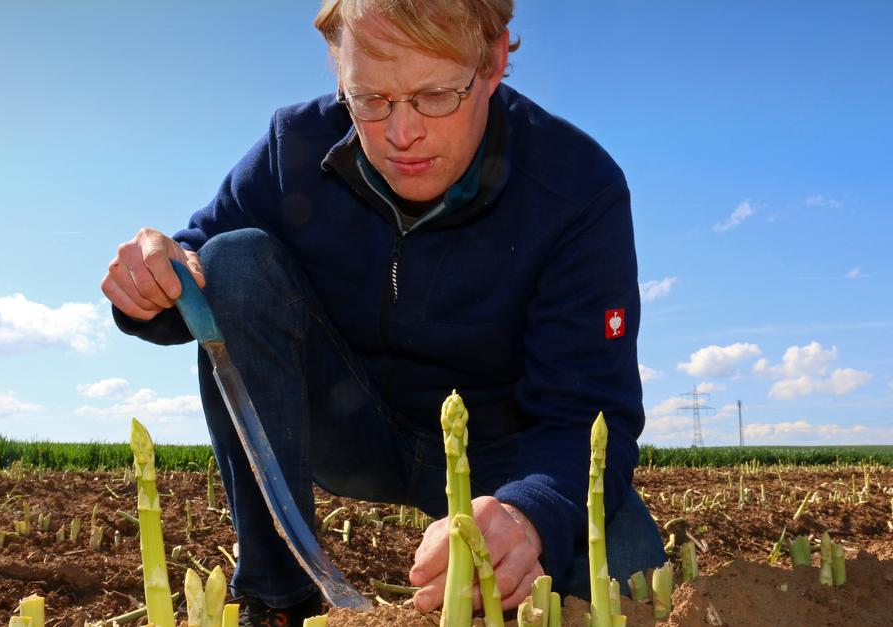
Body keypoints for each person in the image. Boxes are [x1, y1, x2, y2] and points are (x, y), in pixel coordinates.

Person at [102, 0, 666, 624]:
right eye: (369, 100)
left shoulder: (576, 188)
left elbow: (588, 411)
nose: (401, 134)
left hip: (500, 452)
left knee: (631, 581)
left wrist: (529, 513)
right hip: (349, 429)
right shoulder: (295, 147)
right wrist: (155, 280)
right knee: (232, 259)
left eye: (435, 96)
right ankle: (276, 595)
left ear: (494, 60)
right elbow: (200, 269)